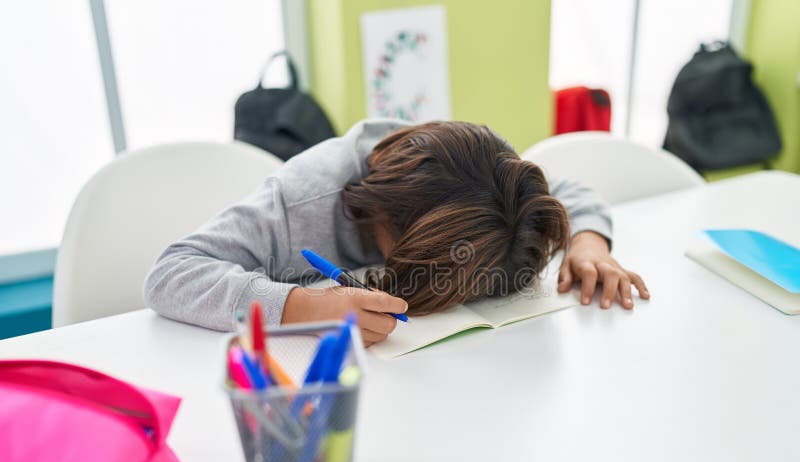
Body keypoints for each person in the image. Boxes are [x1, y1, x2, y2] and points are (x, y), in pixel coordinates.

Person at [144, 119, 649, 346]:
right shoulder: (303, 201)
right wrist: (304, 307)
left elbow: (570, 194)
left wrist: (587, 243)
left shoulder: (490, 175)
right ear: (381, 214)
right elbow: (172, 274)